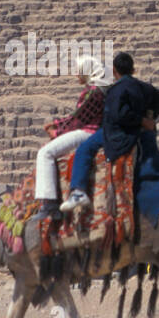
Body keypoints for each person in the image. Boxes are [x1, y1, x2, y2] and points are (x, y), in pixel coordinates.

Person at [60, 52, 159, 213]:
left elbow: (118, 115)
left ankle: (78, 191)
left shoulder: (114, 90)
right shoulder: (144, 87)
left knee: (84, 149)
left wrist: (140, 121)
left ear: (114, 70)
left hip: (119, 134)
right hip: (140, 133)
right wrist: (149, 118)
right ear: (133, 70)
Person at [35, 56, 112, 220]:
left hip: (88, 132)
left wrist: (57, 131)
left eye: (79, 71)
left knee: (45, 153)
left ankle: (49, 205)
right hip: (92, 130)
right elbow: (77, 117)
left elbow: (78, 120)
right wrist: (57, 124)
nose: (77, 75)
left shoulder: (94, 92)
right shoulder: (100, 88)